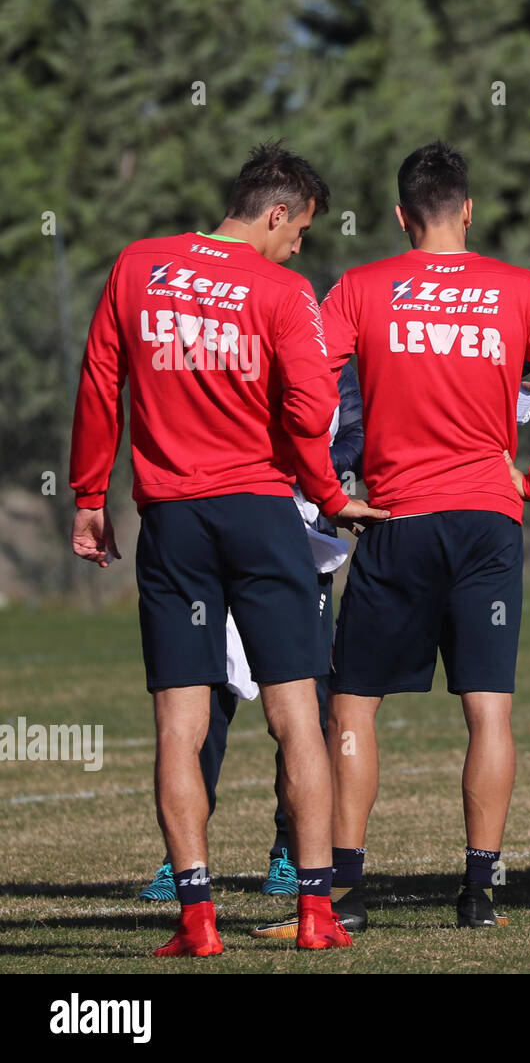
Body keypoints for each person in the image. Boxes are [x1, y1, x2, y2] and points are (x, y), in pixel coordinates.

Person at [271, 140, 530, 933]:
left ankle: (344, 893)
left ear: (398, 215)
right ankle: (480, 893)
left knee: (353, 710)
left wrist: (322, 486)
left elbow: (305, 388)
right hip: (489, 520)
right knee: (489, 712)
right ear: (467, 209)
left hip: (397, 520)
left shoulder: (361, 287)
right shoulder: (519, 288)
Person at [70, 142, 387, 955]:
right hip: (258, 512)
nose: (300, 247)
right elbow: (311, 409)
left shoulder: (138, 265)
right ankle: (316, 913)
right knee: (296, 720)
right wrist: (327, 494)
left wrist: (86, 497)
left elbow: (102, 379)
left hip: (172, 520)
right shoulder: (283, 290)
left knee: (179, 724)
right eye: (301, 230)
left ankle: (197, 919)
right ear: (275, 212)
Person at [139, 363, 364, 902]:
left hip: (296, 535)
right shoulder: (212, 346)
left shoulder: (326, 356)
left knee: (301, 698)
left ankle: (291, 851)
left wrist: (301, 470)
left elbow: (355, 432)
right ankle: (183, 860)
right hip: (213, 527)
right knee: (202, 693)